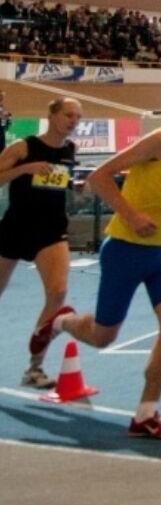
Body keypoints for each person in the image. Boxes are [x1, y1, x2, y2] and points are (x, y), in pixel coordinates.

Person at [52, 87, 161, 439]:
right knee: (103, 336)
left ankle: (146, 413)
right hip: (127, 248)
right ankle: (63, 322)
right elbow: (99, 177)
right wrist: (131, 215)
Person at [0, 97, 81, 388]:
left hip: (51, 230)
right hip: (15, 227)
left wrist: (78, 189)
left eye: (78, 117)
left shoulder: (71, 149)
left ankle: (35, 367)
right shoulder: (24, 147)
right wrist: (25, 168)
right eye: (69, 115)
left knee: (58, 293)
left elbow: (61, 184)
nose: (73, 121)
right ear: (52, 115)